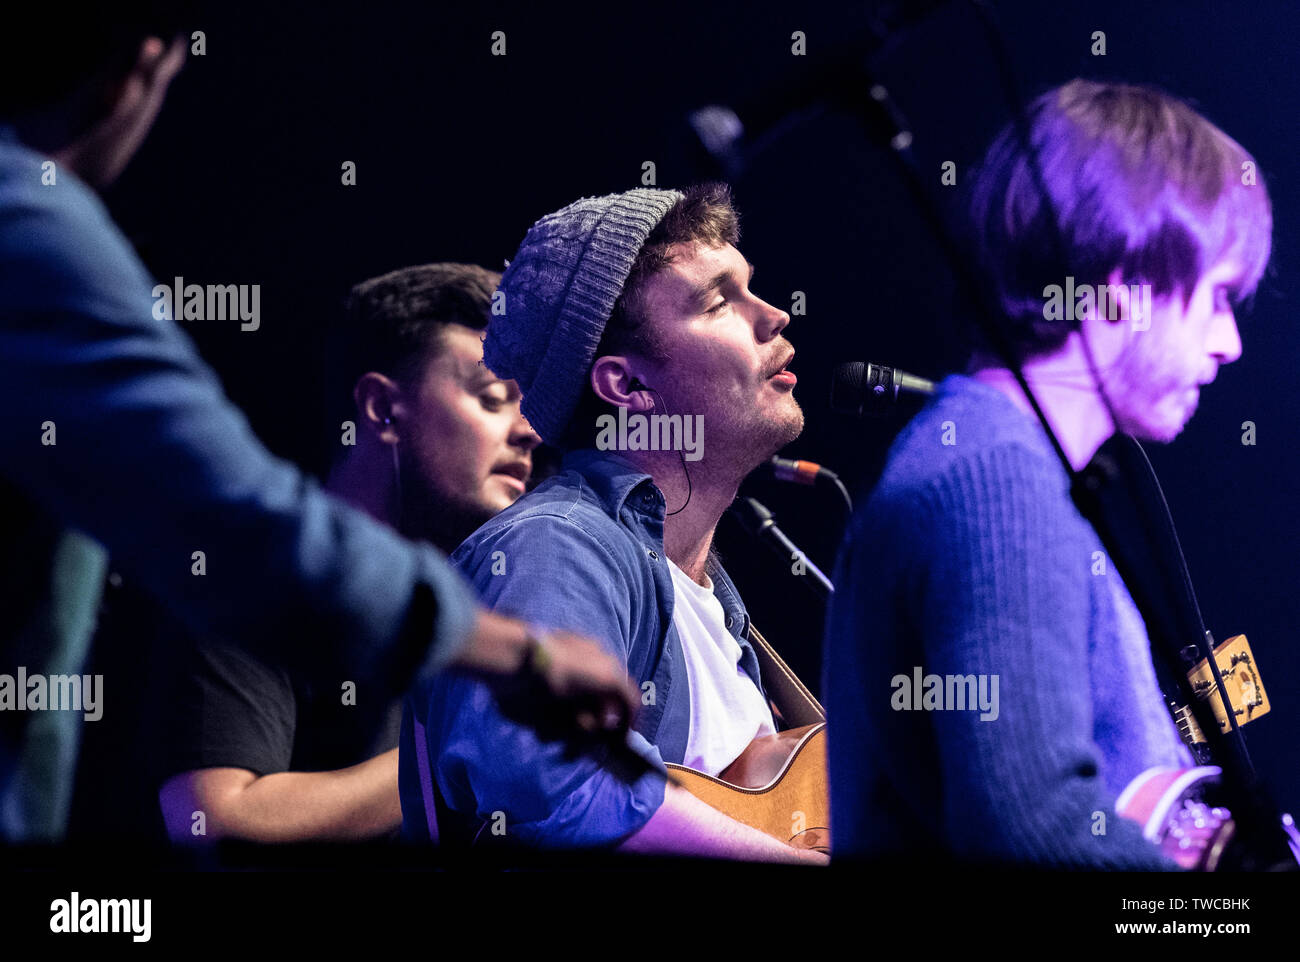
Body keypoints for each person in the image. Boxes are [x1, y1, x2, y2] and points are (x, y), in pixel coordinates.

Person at [0, 5, 632, 842]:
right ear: (138, 72)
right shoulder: (30, 229)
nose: (528, 432)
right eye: (488, 395)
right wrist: (504, 681)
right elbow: (235, 527)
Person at [823, 79, 1271, 868]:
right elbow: (1032, 831)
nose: (1230, 342)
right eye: (1217, 298)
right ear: (1119, 285)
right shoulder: (995, 480)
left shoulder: (1001, 465)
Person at [401, 184, 825, 864]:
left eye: (754, 288)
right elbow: (552, 786)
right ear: (626, 388)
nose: (773, 316)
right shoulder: (556, 544)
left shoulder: (709, 594)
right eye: (720, 300)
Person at [158, 263, 540, 843]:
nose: (528, 431)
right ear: (382, 409)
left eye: (528, 404)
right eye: (493, 399)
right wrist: (460, 744)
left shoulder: (491, 593)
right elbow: (213, 819)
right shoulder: (262, 571)